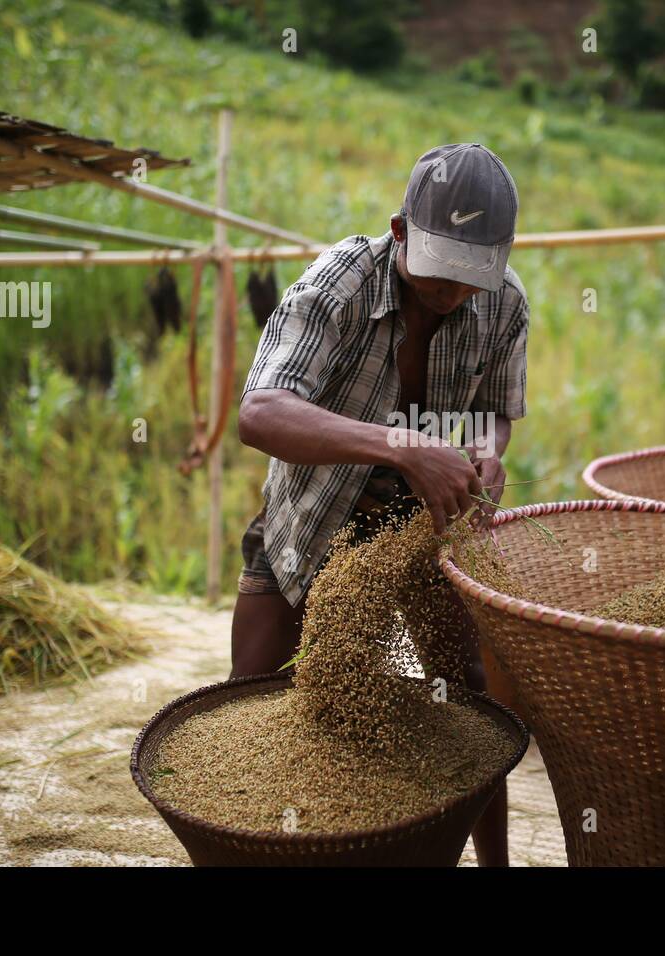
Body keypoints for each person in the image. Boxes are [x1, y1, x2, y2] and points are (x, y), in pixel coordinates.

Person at [232, 143, 529, 865]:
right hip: (309, 519)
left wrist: (487, 457)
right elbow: (260, 413)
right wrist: (401, 446)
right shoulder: (338, 285)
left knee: (465, 702)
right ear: (400, 232)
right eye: (441, 272)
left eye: (472, 278)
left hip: (419, 530)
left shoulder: (506, 305)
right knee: (243, 703)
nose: (455, 292)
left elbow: (495, 411)